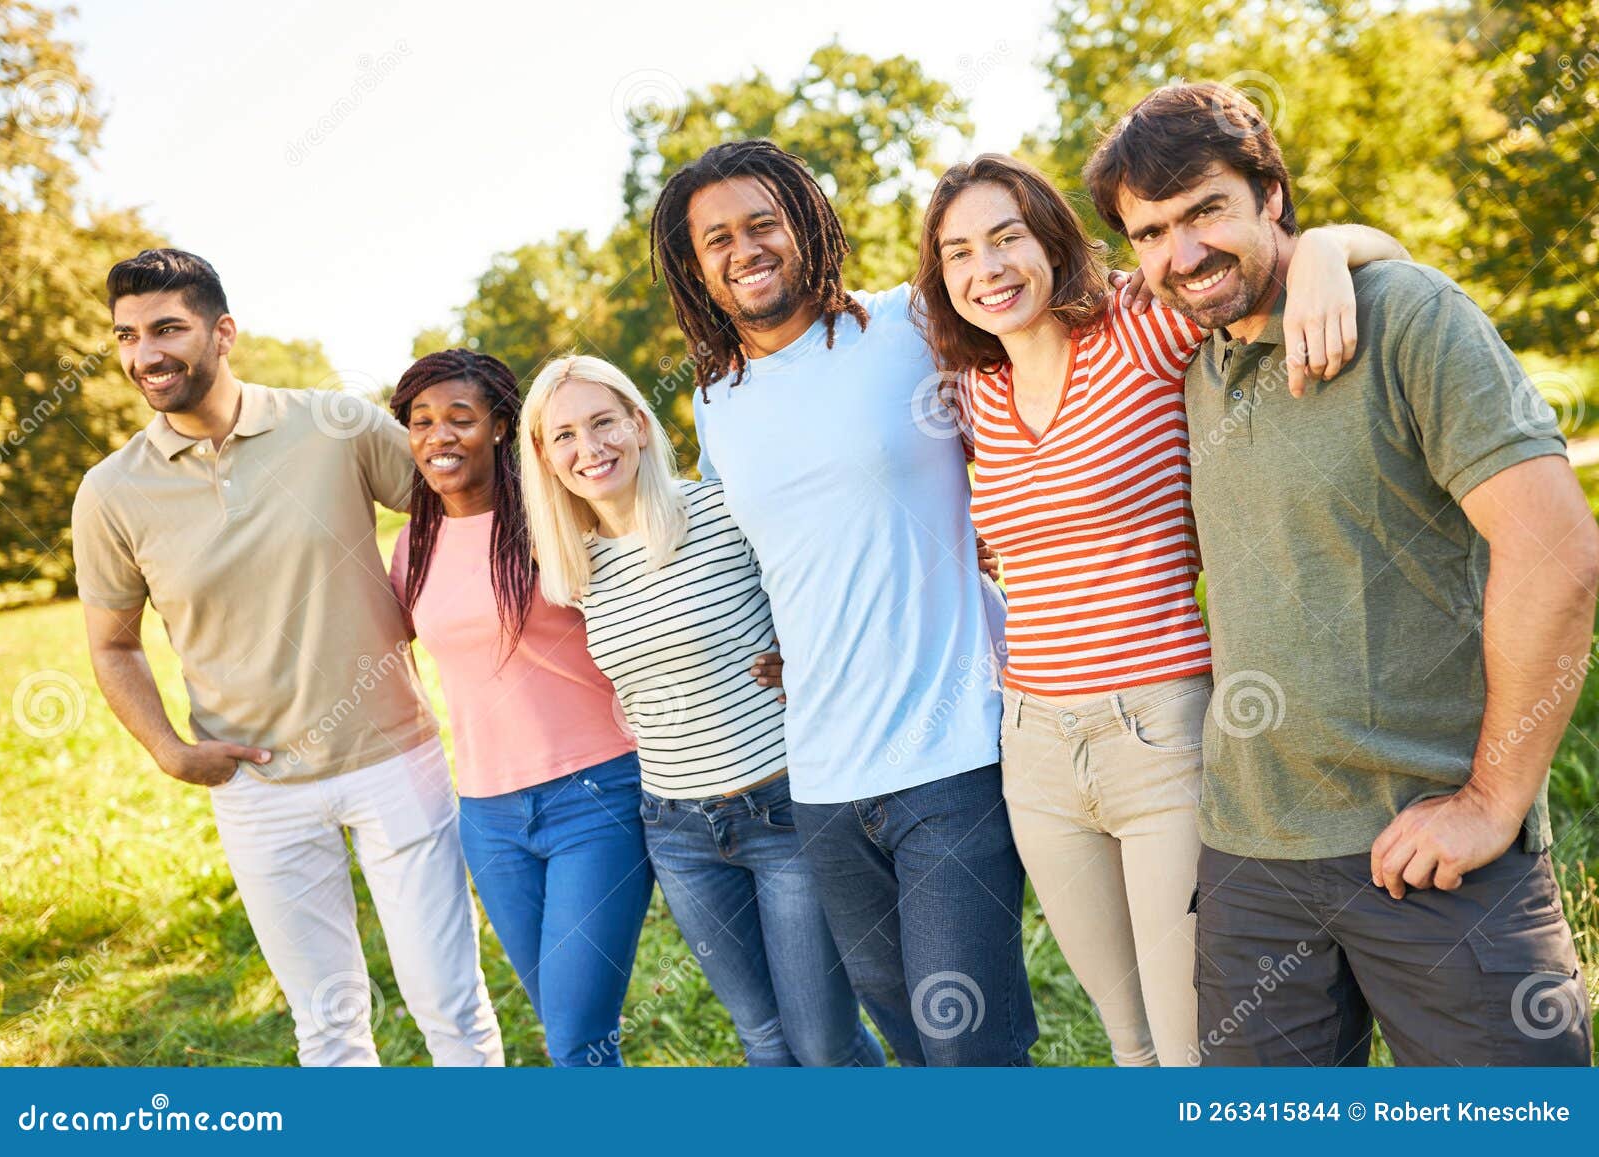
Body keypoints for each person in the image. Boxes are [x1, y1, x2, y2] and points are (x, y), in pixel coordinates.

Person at [1085, 81, 1597, 1066]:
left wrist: (1490, 800)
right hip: (1251, 861)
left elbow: (1558, 552)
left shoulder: (1406, 314)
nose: (1181, 253)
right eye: (1150, 232)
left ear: (1271, 195)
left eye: (1205, 210)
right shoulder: (1188, 365)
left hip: (1432, 849)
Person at [911, 153, 1405, 1065]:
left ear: (1053, 240)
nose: (988, 268)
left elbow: (1277, 264)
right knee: (1128, 1040)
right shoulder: (968, 392)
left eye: (1008, 236)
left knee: (1190, 1044)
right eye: (959, 252)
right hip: (1033, 746)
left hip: (1161, 730)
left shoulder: (1139, 328)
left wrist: (1329, 249)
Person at [650, 140, 1033, 1065]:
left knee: (969, 1044)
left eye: (761, 223)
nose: (744, 249)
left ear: (805, 224)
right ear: (694, 268)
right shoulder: (714, 400)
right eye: (716, 240)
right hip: (821, 776)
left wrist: (1325, 260)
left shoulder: (913, 323)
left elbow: (1071, 359)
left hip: (951, 752)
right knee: (907, 1037)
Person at [72, 249, 502, 1066]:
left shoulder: (333, 424)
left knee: (452, 1008)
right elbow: (113, 642)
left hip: (394, 759)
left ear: (223, 331)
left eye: (167, 328)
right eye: (126, 336)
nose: (145, 354)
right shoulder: (110, 492)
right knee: (328, 1029)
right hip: (255, 786)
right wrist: (169, 749)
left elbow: (466, 503)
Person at [519, 354, 885, 1067]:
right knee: (764, 1040)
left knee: (823, 1040)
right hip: (678, 829)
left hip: (783, 808)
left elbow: (820, 588)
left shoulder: (721, 512)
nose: (589, 448)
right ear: (544, 454)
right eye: (564, 434)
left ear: (639, 423)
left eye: (602, 422)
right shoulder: (576, 569)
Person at [385, 349, 650, 1067]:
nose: (439, 435)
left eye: (459, 418)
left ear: (502, 427)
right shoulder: (413, 545)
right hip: (489, 819)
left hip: (595, 796)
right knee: (578, 1039)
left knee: (574, 1037)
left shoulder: (556, 518)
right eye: (421, 421)